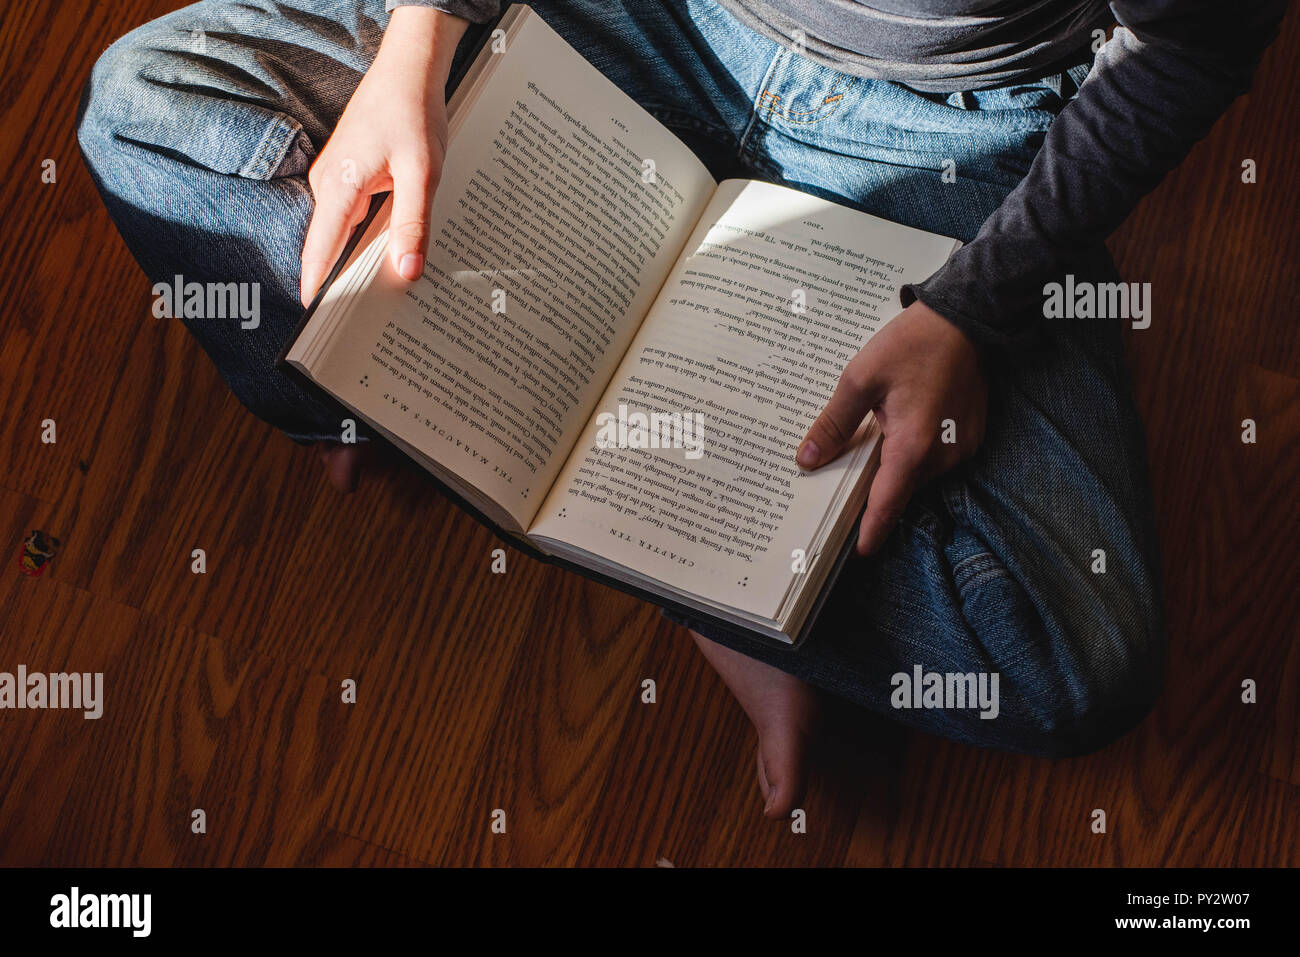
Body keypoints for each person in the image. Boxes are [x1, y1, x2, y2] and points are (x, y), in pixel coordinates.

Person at [78, 0, 1285, 818]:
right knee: (151, 103)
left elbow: (1183, 49)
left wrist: (972, 309)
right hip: (627, 26)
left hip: (953, 134)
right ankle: (632, 521)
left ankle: (642, 541)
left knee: (1075, 659)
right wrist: (416, 35)